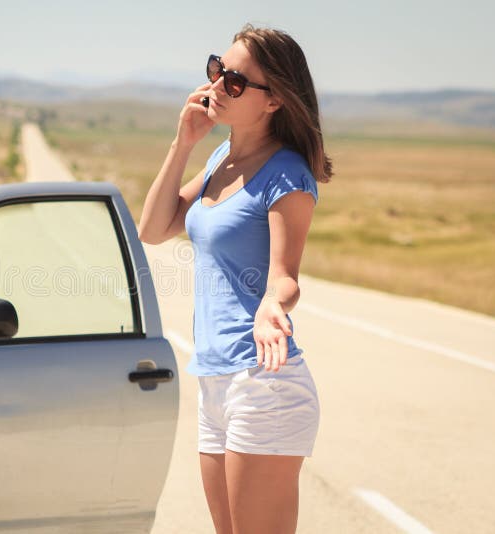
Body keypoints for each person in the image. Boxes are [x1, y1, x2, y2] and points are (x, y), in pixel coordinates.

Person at [138, 23, 333, 534]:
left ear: (274, 102)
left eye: (237, 82)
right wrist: (183, 143)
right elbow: (153, 228)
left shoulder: (286, 173)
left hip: (262, 383)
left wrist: (273, 306)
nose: (219, 85)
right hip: (216, 379)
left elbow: (285, 276)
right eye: (217, 71)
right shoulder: (222, 158)